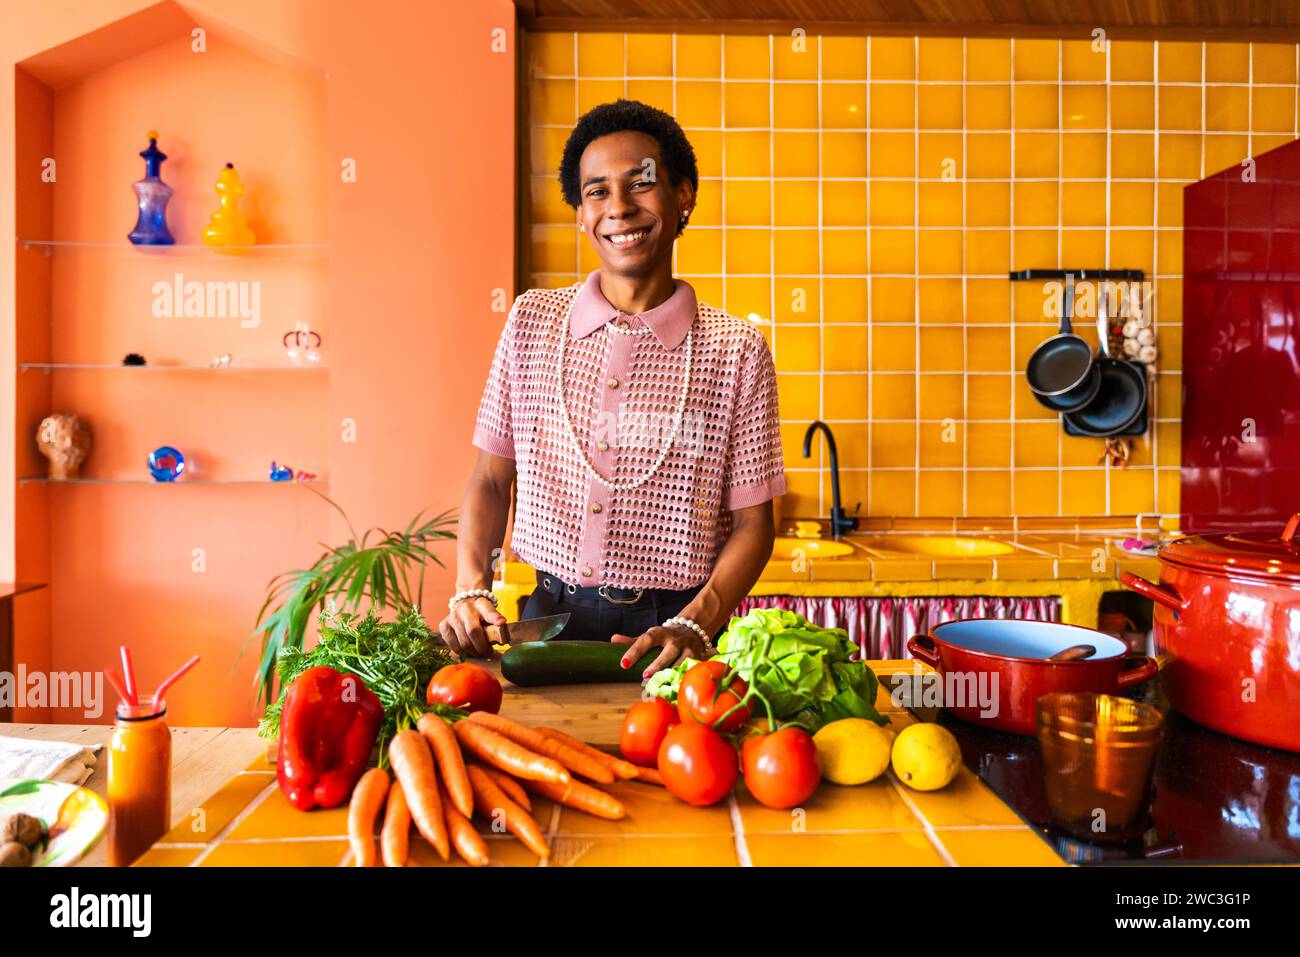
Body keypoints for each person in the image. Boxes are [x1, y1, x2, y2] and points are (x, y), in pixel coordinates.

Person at [439, 98, 785, 680]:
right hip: (546, 620)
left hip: (676, 630)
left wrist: (700, 619)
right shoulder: (530, 322)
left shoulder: (737, 349)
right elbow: (492, 477)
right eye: (597, 191)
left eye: (641, 184)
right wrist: (470, 589)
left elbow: (754, 523)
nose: (619, 208)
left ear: (683, 196)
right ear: (580, 212)